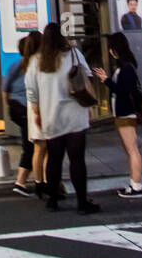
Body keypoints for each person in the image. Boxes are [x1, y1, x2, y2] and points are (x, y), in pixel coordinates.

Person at [25, 23, 101, 215]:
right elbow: (87, 76)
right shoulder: (73, 55)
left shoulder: (37, 61)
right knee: (77, 160)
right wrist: (89, 106)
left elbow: (31, 91)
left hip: (51, 116)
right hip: (75, 115)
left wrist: (37, 112)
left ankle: (52, 200)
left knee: (54, 159)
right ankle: (82, 202)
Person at [94, 32, 142, 199]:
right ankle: (134, 183)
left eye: (111, 48)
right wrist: (107, 79)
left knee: (132, 149)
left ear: (115, 50)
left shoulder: (126, 68)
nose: (109, 52)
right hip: (123, 112)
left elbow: (123, 91)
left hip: (126, 112)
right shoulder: (125, 66)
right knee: (130, 149)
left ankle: (136, 186)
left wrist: (107, 81)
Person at [2, 30, 43, 197]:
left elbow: (5, 88)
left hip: (17, 107)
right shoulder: (35, 65)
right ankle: (21, 181)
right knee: (31, 146)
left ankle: (35, 178)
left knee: (32, 144)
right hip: (28, 108)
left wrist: (10, 105)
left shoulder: (16, 65)